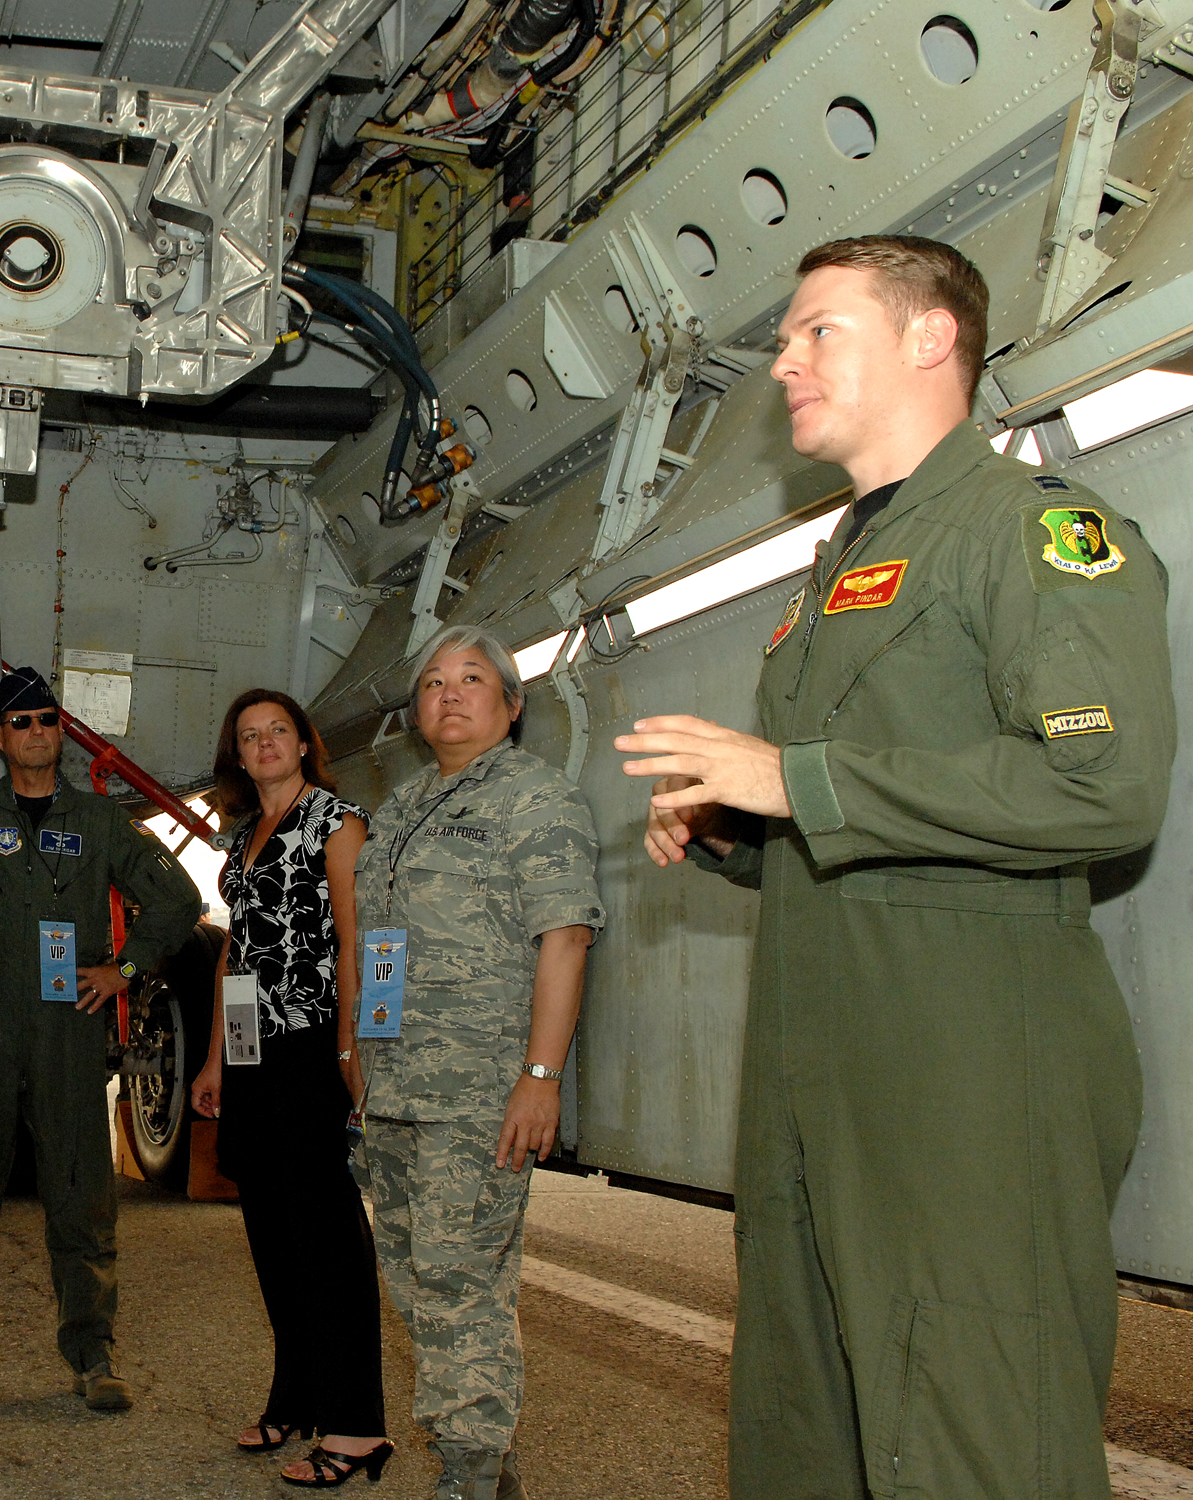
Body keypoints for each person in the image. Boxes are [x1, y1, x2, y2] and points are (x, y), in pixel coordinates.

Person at [617, 235, 1174, 1500]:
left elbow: (1102, 783)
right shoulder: (839, 567)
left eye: (819, 331)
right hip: (819, 1067)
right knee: (806, 1426)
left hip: (965, 1071)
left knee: (974, 1429)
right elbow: (869, 814)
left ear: (931, 338)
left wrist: (797, 781)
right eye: (784, 338)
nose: (783, 362)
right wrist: (737, 830)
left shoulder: (1034, 532)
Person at [355, 624, 602, 1500]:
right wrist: (359, 1060)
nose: (448, 694)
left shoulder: (536, 799)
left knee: (458, 1279)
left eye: (470, 679)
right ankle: (485, 1459)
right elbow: (375, 945)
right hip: (395, 1086)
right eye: (432, 682)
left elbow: (565, 939)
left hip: (477, 1092)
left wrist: (540, 1080)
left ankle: (468, 1472)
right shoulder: (401, 807)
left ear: (512, 702)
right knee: (414, 1276)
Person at [0, 666, 203, 1413]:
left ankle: (92, 1351)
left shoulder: (101, 821)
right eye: (20, 722)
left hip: (68, 1036)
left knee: (81, 1199)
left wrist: (125, 970)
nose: (36, 732)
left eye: (47, 719)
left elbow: (178, 899)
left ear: (60, 731)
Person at [189, 689, 390, 1487]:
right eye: (250, 735)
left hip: (313, 1048)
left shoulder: (337, 824)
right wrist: (215, 1060)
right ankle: (296, 1397)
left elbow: (357, 940)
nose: (265, 743)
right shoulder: (243, 838)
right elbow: (236, 956)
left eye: (278, 730)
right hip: (251, 1053)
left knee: (328, 1236)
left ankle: (357, 1426)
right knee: (272, 1231)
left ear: (304, 743)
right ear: (236, 755)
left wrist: (351, 1046)